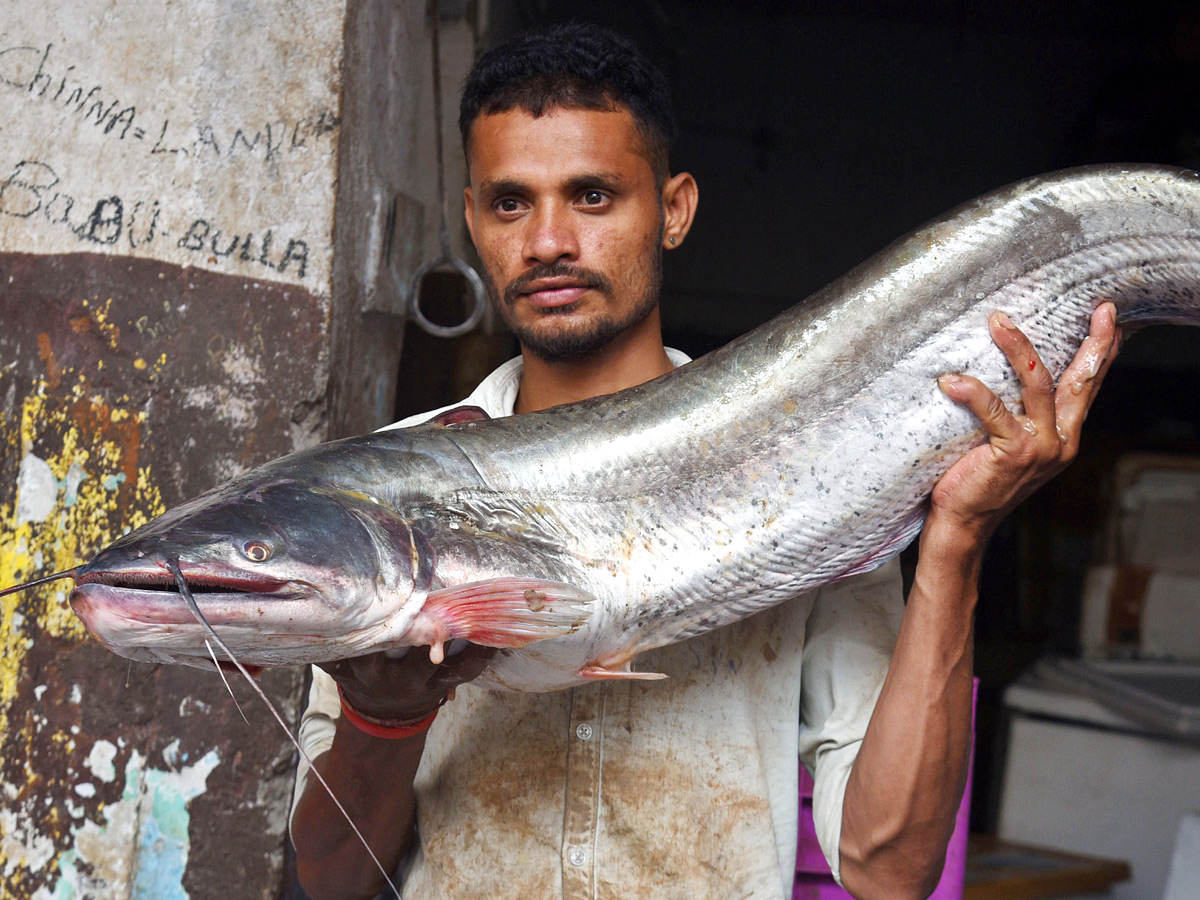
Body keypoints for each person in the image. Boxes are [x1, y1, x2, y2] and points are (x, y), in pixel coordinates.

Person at [289, 22, 1119, 900]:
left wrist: (956, 539)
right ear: (472, 220)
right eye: (510, 203)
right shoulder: (385, 496)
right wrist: (385, 718)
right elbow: (335, 883)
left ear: (674, 209)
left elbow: (889, 870)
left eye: (594, 196)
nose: (547, 242)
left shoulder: (817, 476)